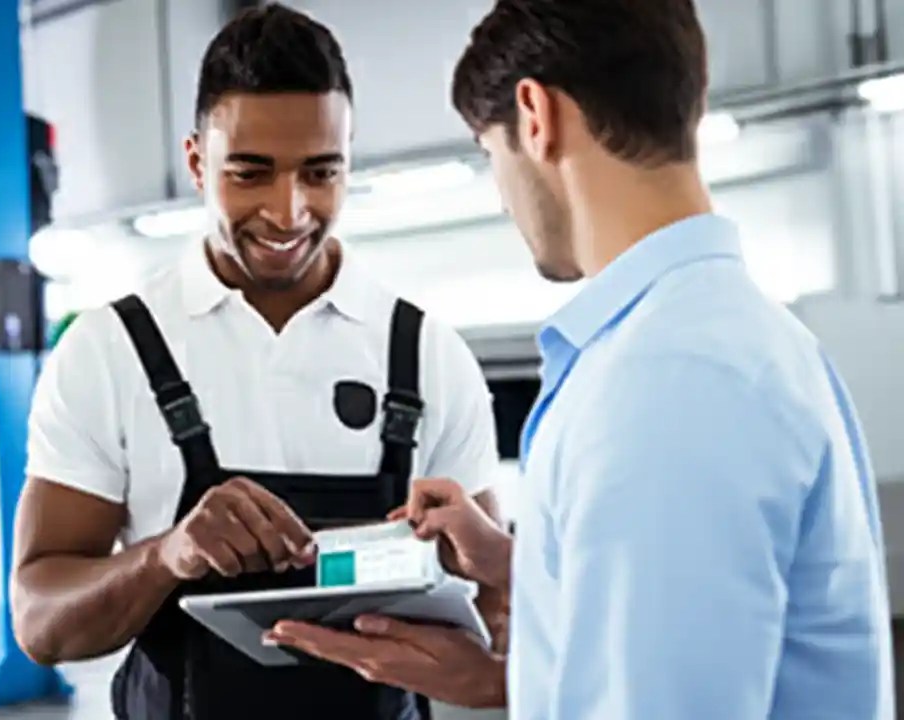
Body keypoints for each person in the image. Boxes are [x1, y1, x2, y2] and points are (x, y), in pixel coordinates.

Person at [269, 0, 897, 718]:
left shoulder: (664, 380)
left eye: (491, 154)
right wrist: (527, 569)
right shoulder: (740, 339)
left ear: (535, 116)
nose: (504, 198)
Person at [7, 4, 504, 719]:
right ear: (196, 162)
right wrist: (166, 556)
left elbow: (498, 607)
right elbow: (40, 623)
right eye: (250, 173)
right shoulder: (108, 351)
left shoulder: (429, 356)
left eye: (320, 172)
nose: (288, 211)